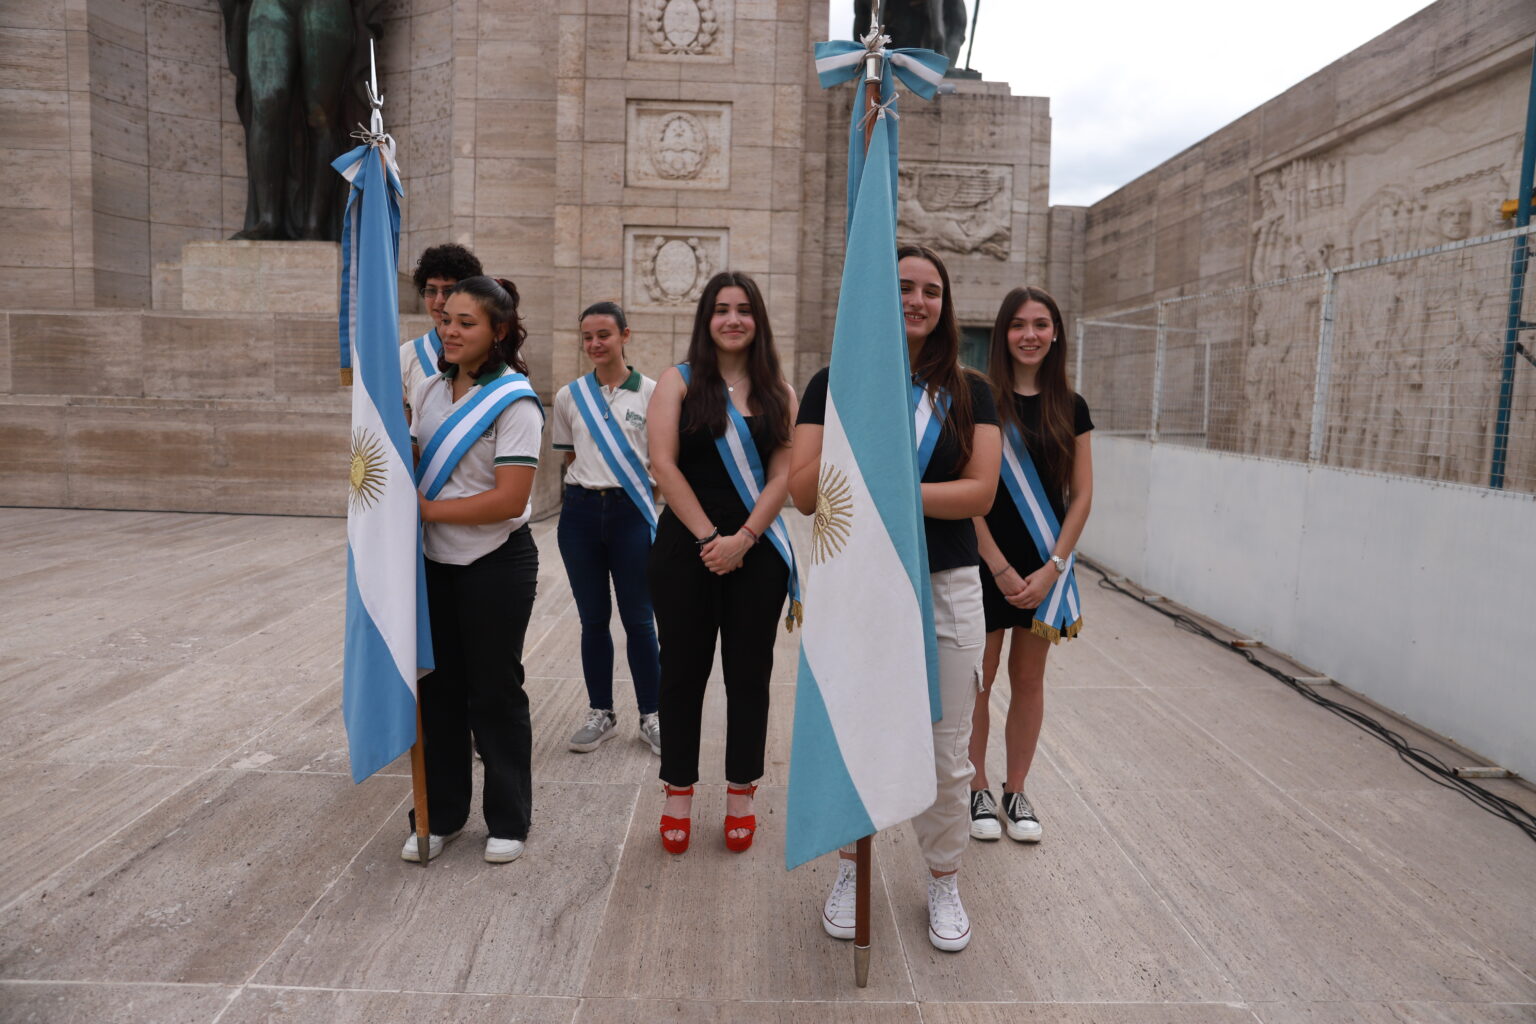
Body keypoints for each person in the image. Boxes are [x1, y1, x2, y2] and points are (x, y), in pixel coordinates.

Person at [790, 244, 1001, 953]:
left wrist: (885, 493)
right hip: (858, 585)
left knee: (946, 755)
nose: (915, 301)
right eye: (902, 287)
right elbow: (800, 490)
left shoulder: (971, 391)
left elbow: (979, 492)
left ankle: (943, 877)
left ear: (945, 306)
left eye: (930, 291)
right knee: (859, 735)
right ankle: (853, 868)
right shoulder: (834, 382)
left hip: (945, 587)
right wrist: (860, 401)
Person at [647, 271, 799, 855]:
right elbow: (663, 464)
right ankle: (678, 791)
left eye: (743, 310)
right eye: (721, 309)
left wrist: (744, 538)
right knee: (681, 673)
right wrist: (713, 536)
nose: (732, 319)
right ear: (706, 319)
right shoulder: (678, 383)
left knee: (748, 676)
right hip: (686, 549)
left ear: (758, 321)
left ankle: (741, 793)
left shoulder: (779, 393)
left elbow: (784, 475)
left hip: (756, 555)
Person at [401, 275, 544, 865]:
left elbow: (509, 499)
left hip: (495, 563)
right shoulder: (432, 390)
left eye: (467, 322)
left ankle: (508, 818)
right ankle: (441, 815)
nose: (451, 330)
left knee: (495, 693)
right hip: (434, 562)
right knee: (438, 693)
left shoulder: (516, 400)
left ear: (498, 330)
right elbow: (411, 460)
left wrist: (424, 509)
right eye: (446, 319)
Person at [967, 286, 1094, 845]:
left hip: (1046, 566)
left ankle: (1016, 790)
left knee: (1028, 680)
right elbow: (968, 490)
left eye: (1041, 324)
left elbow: (1083, 495)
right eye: (1018, 324)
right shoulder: (978, 398)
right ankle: (976, 788)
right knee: (979, 680)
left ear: (1056, 333)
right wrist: (996, 565)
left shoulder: (1073, 405)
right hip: (985, 561)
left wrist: (1053, 567)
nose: (1030, 334)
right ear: (1003, 334)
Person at [550, 302, 663, 756]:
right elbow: (569, 457)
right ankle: (602, 713)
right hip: (579, 514)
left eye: (604, 335)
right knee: (593, 619)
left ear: (625, 336)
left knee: (639, 620)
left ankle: (652, 716)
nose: (595, 344)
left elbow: (662, 459)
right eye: (588, 337)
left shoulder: (653, 393)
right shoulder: (568, 396)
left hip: (631, 513)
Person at [402, 244, 484, 414]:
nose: (439, 300)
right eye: (431, 291)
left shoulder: (495, 353)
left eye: (449, 291)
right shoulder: (407, 355)